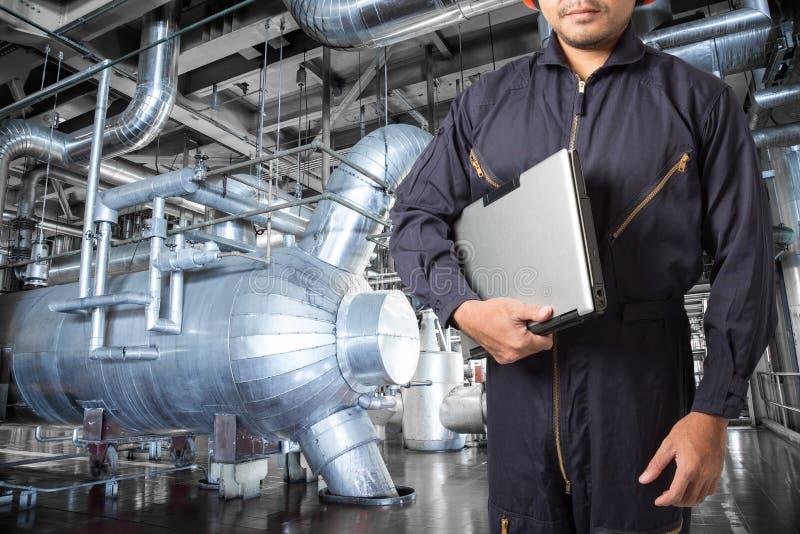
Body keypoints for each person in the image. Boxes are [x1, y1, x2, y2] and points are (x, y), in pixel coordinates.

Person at [389, 0, 777, 532]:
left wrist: (713, 410)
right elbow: (413, 215)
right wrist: (461, 308)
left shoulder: (700, 102)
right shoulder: (484, 105)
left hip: (643, 398)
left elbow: (746, 258)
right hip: (517, 406)